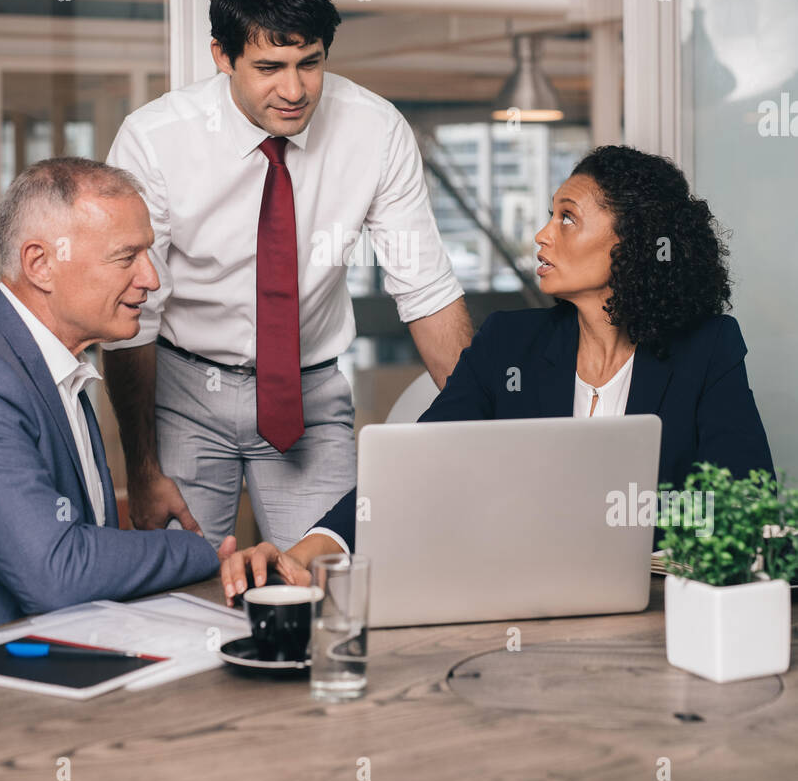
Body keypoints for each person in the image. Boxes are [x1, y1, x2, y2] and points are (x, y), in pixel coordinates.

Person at [102, 0, 473, 576]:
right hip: (186, 391)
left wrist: (494, 435)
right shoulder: (155, 140)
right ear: (223, 56)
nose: (295, 90)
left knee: (330, 586)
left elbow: (427, 292)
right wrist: (142, 469)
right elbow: (135, 313)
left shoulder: (376, 131)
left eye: (311, 63)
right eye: (270, 66)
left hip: (311, 393)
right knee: (181, 588)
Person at [296, 144, 776, 559]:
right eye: (551, 215)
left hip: (659, 609)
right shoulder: (507, 345)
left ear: (631, 242)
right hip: (520, 598)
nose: (542, 235)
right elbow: (415, 471)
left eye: (567, 218)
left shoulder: (708, 348)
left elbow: (746, 500)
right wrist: (314, 547)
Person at [0, 158, 232, 654]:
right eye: (126, 257)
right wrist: (201, 551)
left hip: (54, 660)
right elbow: (57, 572)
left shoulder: (50, 360)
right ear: (40, 264)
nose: (151, 280)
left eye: (148, 254)